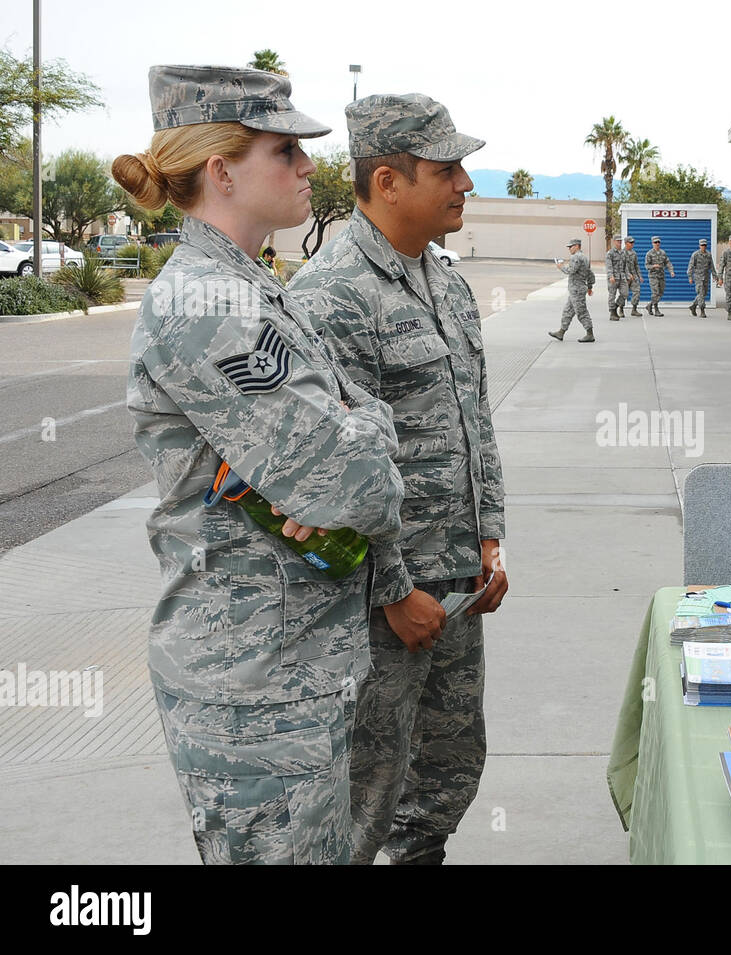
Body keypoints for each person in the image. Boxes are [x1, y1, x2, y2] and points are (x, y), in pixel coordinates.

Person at [114, 64, 405, 864]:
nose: (310, 166)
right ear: (222, 171)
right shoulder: (210, 302)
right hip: (253, 689)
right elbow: (355, 482)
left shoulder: (250, 287)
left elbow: (358, 442)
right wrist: (358, 447)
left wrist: (359, 434)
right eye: (286, 150)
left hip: (296, 670)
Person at [290, 93, 508, 866]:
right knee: (367, 790)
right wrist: (390, 590)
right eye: (447, 169)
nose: (465, 184)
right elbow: (326, 476)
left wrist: (491, 535)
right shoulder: (331, 295)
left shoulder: (445, 283)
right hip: (381, 606)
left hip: (456, 582)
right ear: (388, 180)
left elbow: (474, 418)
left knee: (448, 770)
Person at [550, 238, 595, 341]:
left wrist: (560, 267)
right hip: (577, 289)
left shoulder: (576, 257)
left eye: (570, 247)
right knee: (568, 311)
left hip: (577, 290)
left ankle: (590, 334)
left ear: (576, 246)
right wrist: (590, 286)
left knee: (581, 312)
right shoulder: (585, 257)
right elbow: (590, 274)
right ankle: (561, 332)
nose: (569, 249)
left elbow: (571, 270)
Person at [687, 237, 717, 317]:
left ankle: (693, 306)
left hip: (706, 277)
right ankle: (702, 310)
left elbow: (712, 266)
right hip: (698, 277)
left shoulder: (708, 254)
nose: (703, 246)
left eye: (704, 245)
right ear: (699, 245)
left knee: (704, 293)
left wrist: (715, 275)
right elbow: (690, 266)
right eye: (702, 245)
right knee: (700, 293)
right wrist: (690, 277)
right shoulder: (695, 255)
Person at [644, 235, 674, 316]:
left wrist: (671, 271)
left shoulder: (663, 252)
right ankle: (656, 310)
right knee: (655, 293)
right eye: (655, 242)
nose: (657, 243)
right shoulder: (649, 254)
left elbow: (668, 262)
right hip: (653, 276)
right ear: (652, 243)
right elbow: (646, 266)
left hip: (661, 276)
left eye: (658, 242)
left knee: (661, 293)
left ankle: (649, 305)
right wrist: (653, 266)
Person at [605, 234, 627, 320]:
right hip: (613, 278)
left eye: (620, 241)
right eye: (618, 241)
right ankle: (612, 313)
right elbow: (608, 266)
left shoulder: (623, 253)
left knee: (625, 293)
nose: (619, 243)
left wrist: (627, 275)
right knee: (612, 295)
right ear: (614, 242)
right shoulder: (610, 253)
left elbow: (625, 266)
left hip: (622, 277)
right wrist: (611, 276)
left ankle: (615, 307)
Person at [624, 235, 642, 316]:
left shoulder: (634, 253)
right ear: (626, 243)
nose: (632, 244)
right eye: (630, 242)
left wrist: (640, 276)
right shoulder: (621, 253)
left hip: (634, 276)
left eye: (633, 242)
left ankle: (634, 309)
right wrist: (628, 274)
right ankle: (621, 309)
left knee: (637, 291)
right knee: (624, 293)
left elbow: (636, 265)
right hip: (625, 276)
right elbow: (622, 266)